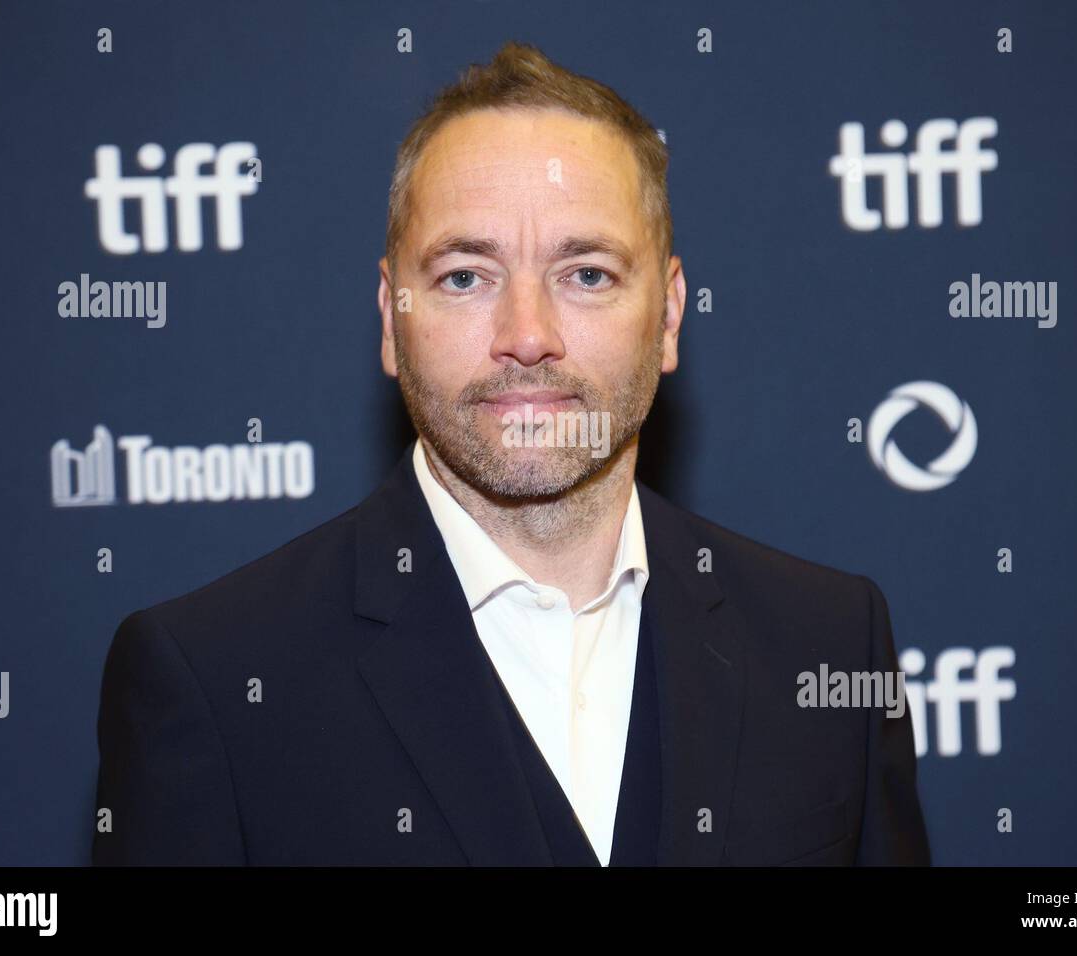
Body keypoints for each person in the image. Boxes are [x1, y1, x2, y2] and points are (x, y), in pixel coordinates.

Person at [92, 40, 930, 866]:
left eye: (588, 274)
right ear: (392, 318)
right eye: (466, 276)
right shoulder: (216, 681)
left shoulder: (827, 644)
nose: (527, 336)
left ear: (669, 316)